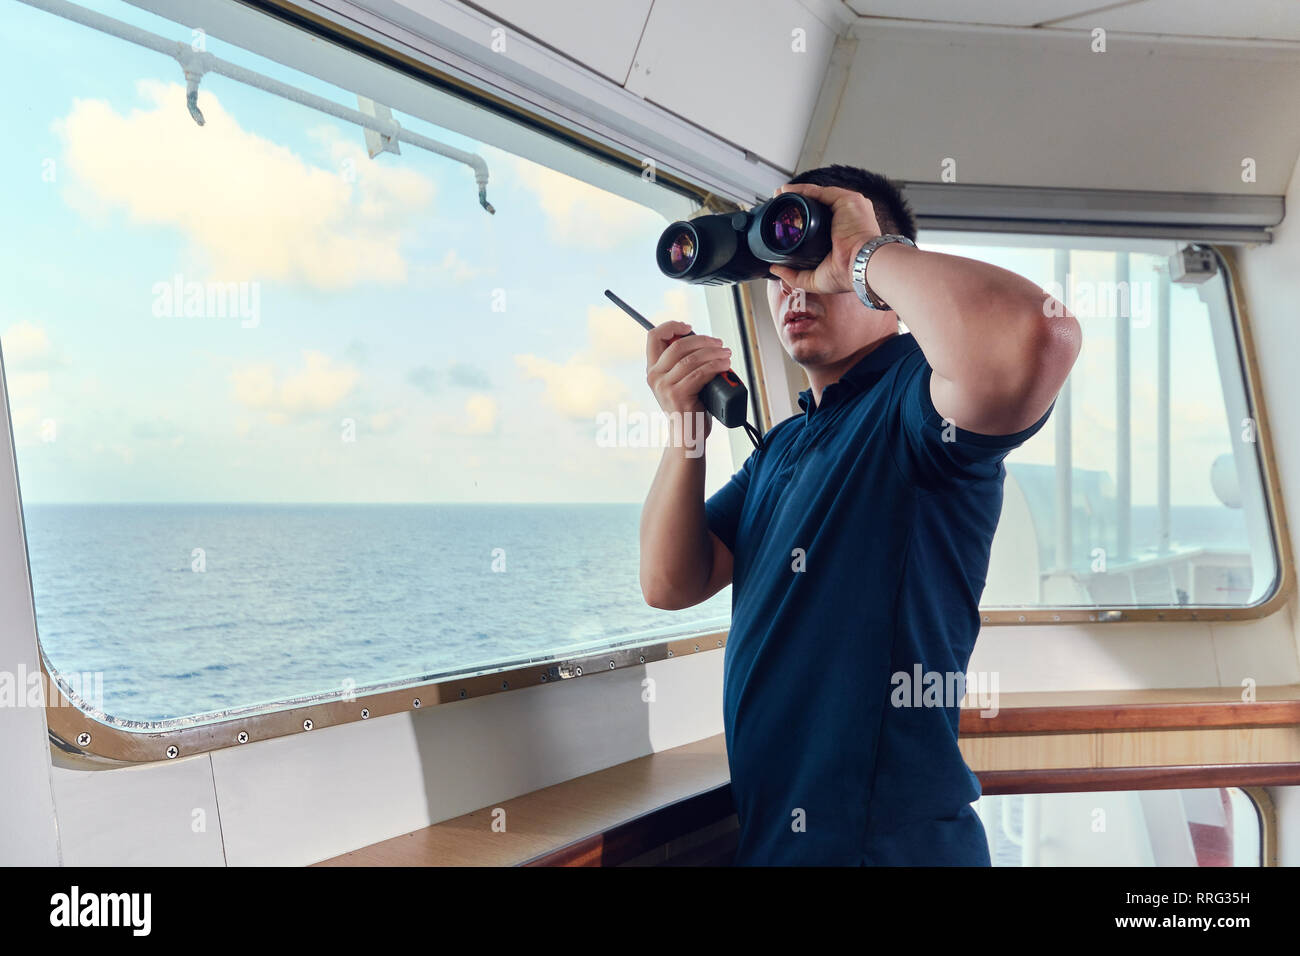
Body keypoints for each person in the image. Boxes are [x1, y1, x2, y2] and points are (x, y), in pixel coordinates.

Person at [637, 164, 1081, 865]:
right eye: (779, 272)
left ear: (886, 281)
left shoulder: (913, 401)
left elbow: (1038, 336)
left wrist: (857, 255)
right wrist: (685, 425)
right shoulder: (785, 442)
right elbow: (671, 581)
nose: (795, 288)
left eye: (815, 265)